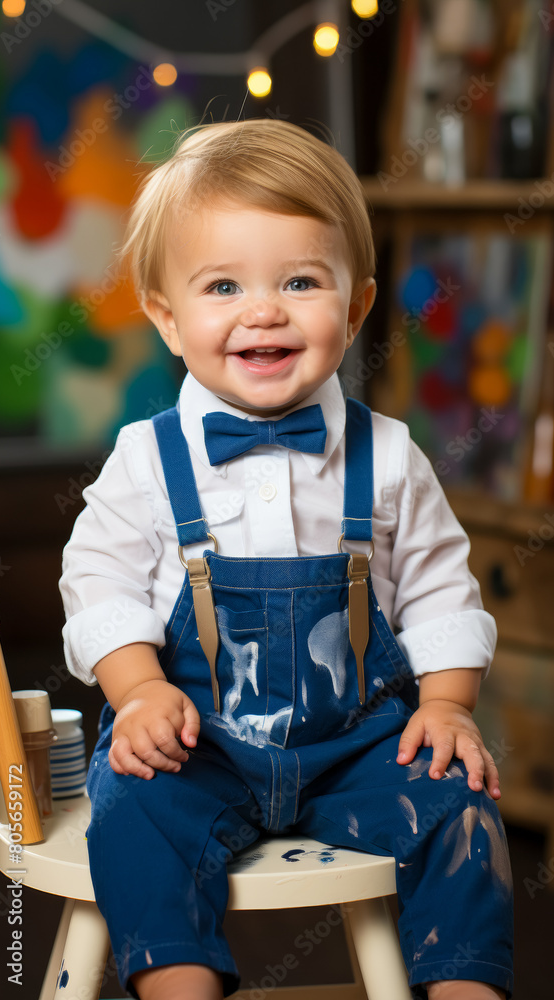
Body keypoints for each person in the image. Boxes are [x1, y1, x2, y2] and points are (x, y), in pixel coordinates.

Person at [59, 119, 514, 1000]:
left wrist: (449, 704)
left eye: (299, 281)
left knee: (459, 803)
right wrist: (137, 689)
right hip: (197, 740)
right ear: (166, 315)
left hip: (357, 740)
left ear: (353, 307)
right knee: (132, 812)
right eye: (222, 285)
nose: (262, 310)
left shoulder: (387, 456)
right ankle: (178, 982)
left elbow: (437, 587)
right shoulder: (148, 458)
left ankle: (464, 986)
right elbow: (98, 582)